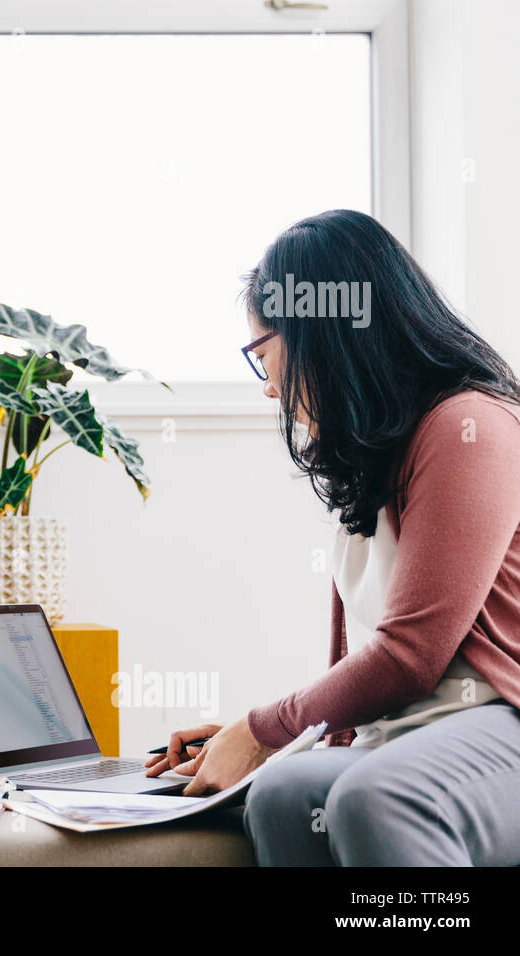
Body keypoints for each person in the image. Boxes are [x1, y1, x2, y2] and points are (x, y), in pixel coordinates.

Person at [143, 209, 520, 865]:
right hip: (417, 733)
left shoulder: (469, 427)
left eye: (264, 354)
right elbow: (369, 671)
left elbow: (409, 656)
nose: (269, 389)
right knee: (286, 792)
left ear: (322, 334)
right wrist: (254, 740)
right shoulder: (378, 461)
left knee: (379, 797)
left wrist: (263, 728)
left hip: (502, 723)